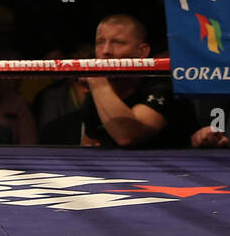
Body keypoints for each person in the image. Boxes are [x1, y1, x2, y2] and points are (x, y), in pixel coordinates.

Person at [80, 14, 196, 149]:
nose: (106, 51)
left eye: (118, 42)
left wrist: (98, 82)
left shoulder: (163, 84)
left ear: (142, 51)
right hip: (121, 167)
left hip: (178, 167)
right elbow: (89, 143)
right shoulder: (97, 92)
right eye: (100, 42)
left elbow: (128, 136)